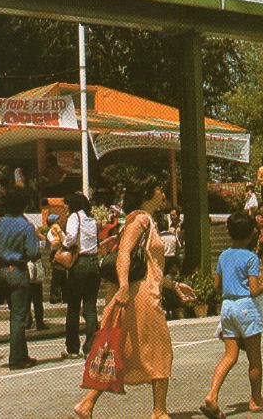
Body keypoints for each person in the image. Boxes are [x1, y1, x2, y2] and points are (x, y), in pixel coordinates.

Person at [72, 176, 196, 419]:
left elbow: (148, 264)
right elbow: (125, 255)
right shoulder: (139, 220)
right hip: (140, 296)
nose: (163, 194)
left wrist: (172, 284)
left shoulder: (144, 220)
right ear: (149, 193)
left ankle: (86, 404)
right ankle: (159, 411)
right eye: (160, 189)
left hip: (138, 292)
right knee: (159, 349)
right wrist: (125, 287)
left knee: (120, 349)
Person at [200, 211, 263, 419]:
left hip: (227, 307)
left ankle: (212, 395)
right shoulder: (251, 258)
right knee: (254, 359)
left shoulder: (224, 255)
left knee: (230, 355)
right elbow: (253, 289)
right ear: (252, 233)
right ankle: (256, 399)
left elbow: (216, 286)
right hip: (245, 307)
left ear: (229, 232)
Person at [0, 187, 40, 369]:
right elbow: (33, 252)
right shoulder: (26, 226)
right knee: (18, 316)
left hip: (1, 271)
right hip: (17, 271)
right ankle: (16, 357)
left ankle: (23, 353)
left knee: (15, 314)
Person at [62, 192, 101, 359]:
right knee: (90, 307)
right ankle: (91, 346)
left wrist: (63, 243)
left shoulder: (74, 217)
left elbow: (70, 237)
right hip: (93, 263)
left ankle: (72, 347)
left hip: (80, 263)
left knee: (73, 307)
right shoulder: (91, 219)